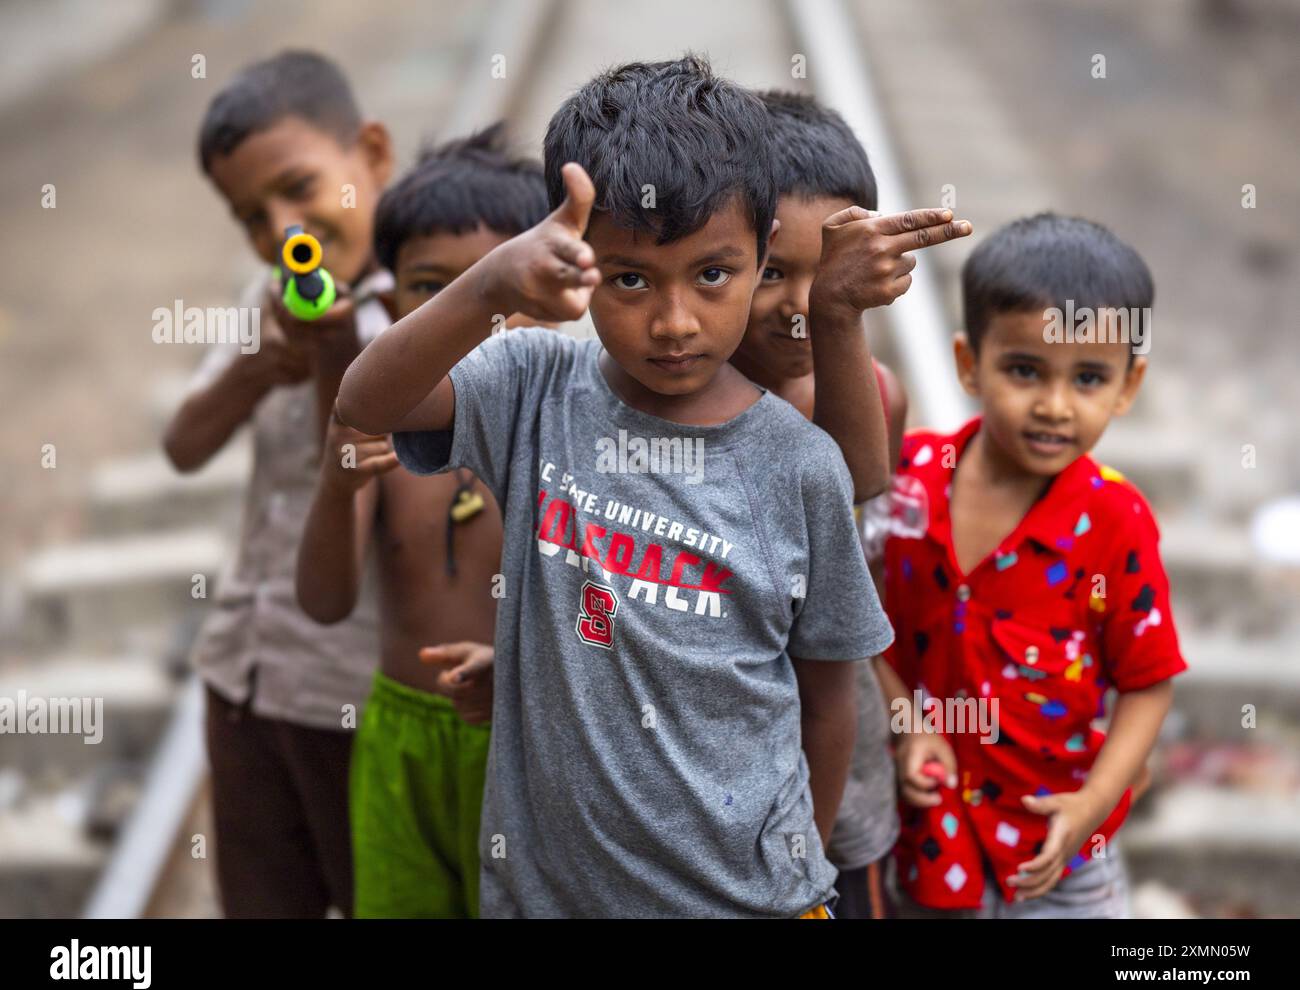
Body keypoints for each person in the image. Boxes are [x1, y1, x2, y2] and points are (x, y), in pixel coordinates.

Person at [338, 55, 895, 918]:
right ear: (583, 264)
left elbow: (826, 699)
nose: (674, 322)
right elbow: (366, 399)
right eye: (631, 278)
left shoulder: (800, 464)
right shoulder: (533, 385)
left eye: (713, 273)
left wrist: (795, 877)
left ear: (758, 256)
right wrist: (486, 286)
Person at [880, 213, 1186, 918]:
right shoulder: (912, 479)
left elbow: (1148, 684)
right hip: (932, 838)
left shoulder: (1115, 521)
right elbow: (856, 616)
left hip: (1060, 849)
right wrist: (904, 721)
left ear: (1127, 385)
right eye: (1024, 370)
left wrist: (1094, 803)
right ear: (968, 364)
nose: (1053, 405)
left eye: (1088, 378)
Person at [296, 125, 551, 918]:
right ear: (389, 298)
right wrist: (338, 486)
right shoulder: (378, 426)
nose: (467, 325)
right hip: (399, 739)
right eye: (432, 294)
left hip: (527, 737)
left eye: (492, 298)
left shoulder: (562, 429)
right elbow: (326, 601)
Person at [163, 50, 395, 917]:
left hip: (349, 688)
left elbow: (356, 469)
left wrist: (338, 349)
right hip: (245, 671)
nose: (281, 226)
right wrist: (257, 366)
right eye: (251, 215)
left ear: (371, 154)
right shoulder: (275, 296)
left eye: (300, 189)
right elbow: (185, 444)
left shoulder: (419, 304)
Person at [732, 89, 963, 918]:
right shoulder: (688, 392)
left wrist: (904, 714)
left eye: (823, 276)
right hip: (718, 755)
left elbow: (855, 491)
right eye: (769, 272)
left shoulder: (876, 392)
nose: (797, 304)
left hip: (842, 752)